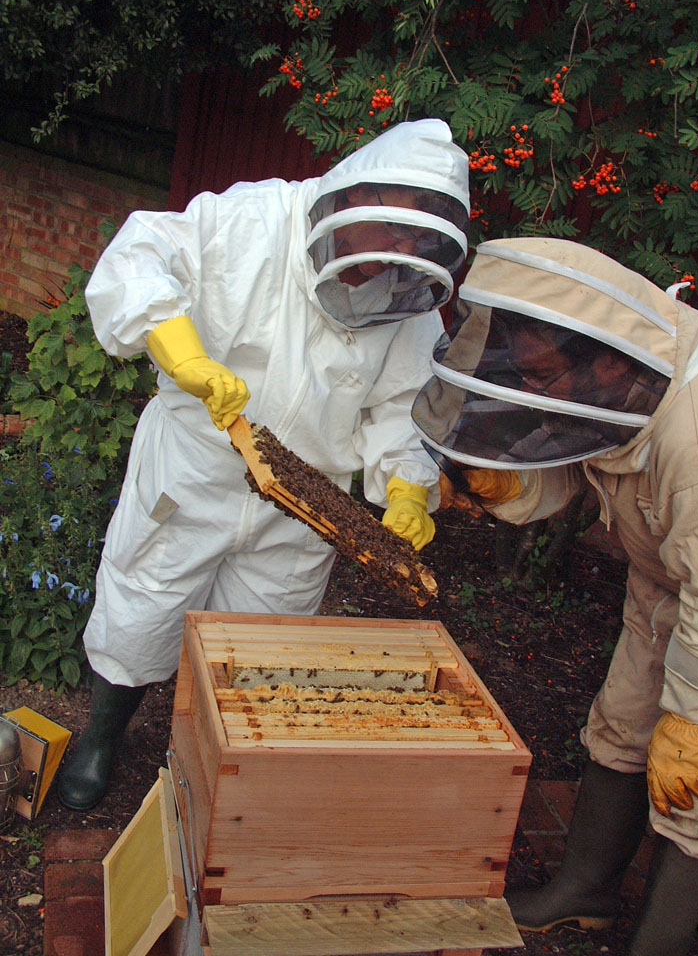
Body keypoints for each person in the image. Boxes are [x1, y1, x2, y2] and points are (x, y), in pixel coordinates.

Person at [57, 118, 470, 811]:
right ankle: (101, 737)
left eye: (418, 240)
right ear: (356, 195)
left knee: (261, 640)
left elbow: (402, 407)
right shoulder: (251, 220)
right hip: (195, 470)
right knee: (144, 605)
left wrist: (405, 486)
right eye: (392, 230)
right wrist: (177, 346)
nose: (401, 252)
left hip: (302, 504)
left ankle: (210, 760)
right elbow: (141, 254)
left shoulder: (405, 300)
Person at [412, 237, 698, 956]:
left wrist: (694, 721)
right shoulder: (618, 374)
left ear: (603, 358)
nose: (532, 395)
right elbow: (582, 455)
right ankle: (585, 895)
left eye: (540, 378)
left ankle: (656, 942)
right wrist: (510, 483)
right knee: (625, 724)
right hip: (673, 575)